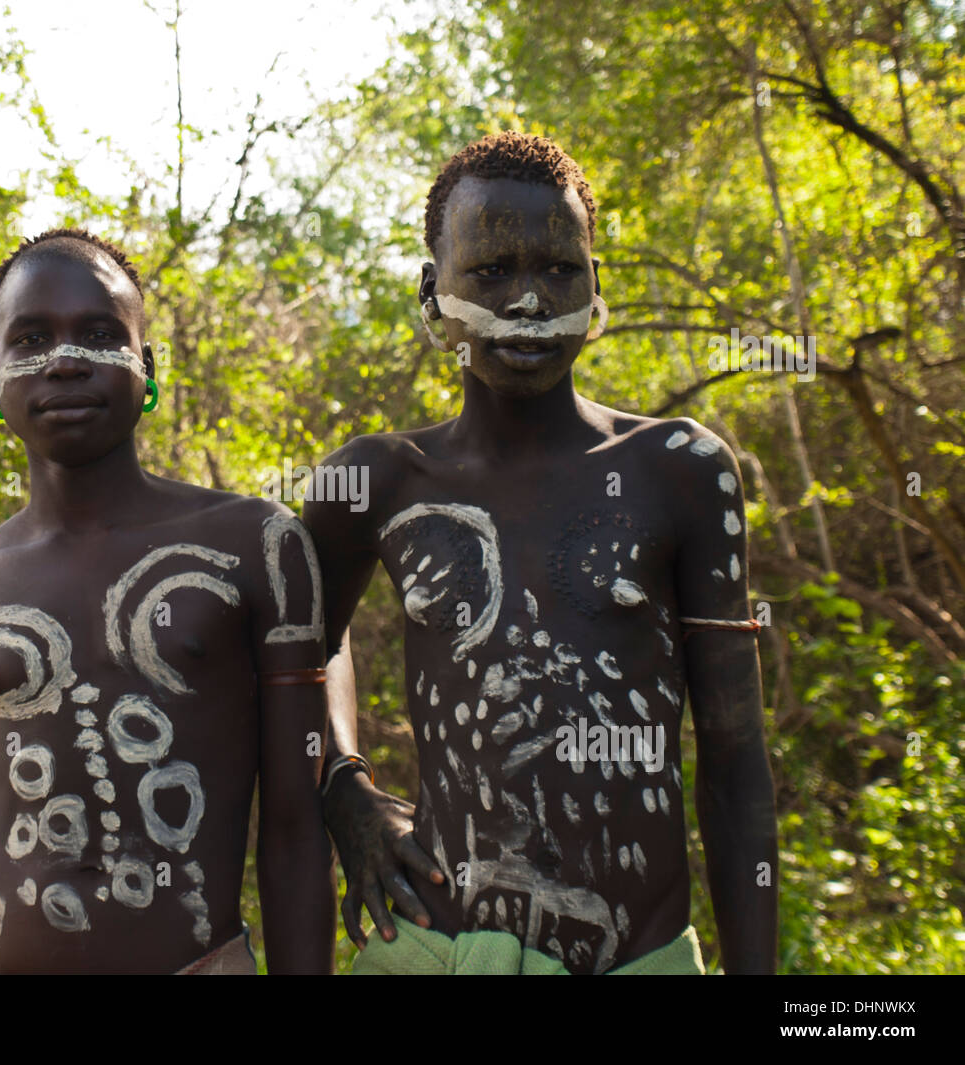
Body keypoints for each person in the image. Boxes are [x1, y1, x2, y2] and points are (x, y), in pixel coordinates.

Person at [305, 133, 778, 974]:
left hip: (640, 960)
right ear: (432, 293)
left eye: (560, 270)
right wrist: (345, 782)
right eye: (491, 271)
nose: (527, 300)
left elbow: (736, 762)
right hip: (436, 952)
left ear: (597, 289)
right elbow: (308, 640)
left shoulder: (679, 469)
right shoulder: (376, 481)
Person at [0, 229, 334, 974]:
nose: (64, 360)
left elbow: (295, 832)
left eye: (99, 334)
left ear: (147, 367)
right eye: (31, 338)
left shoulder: (254, 546)